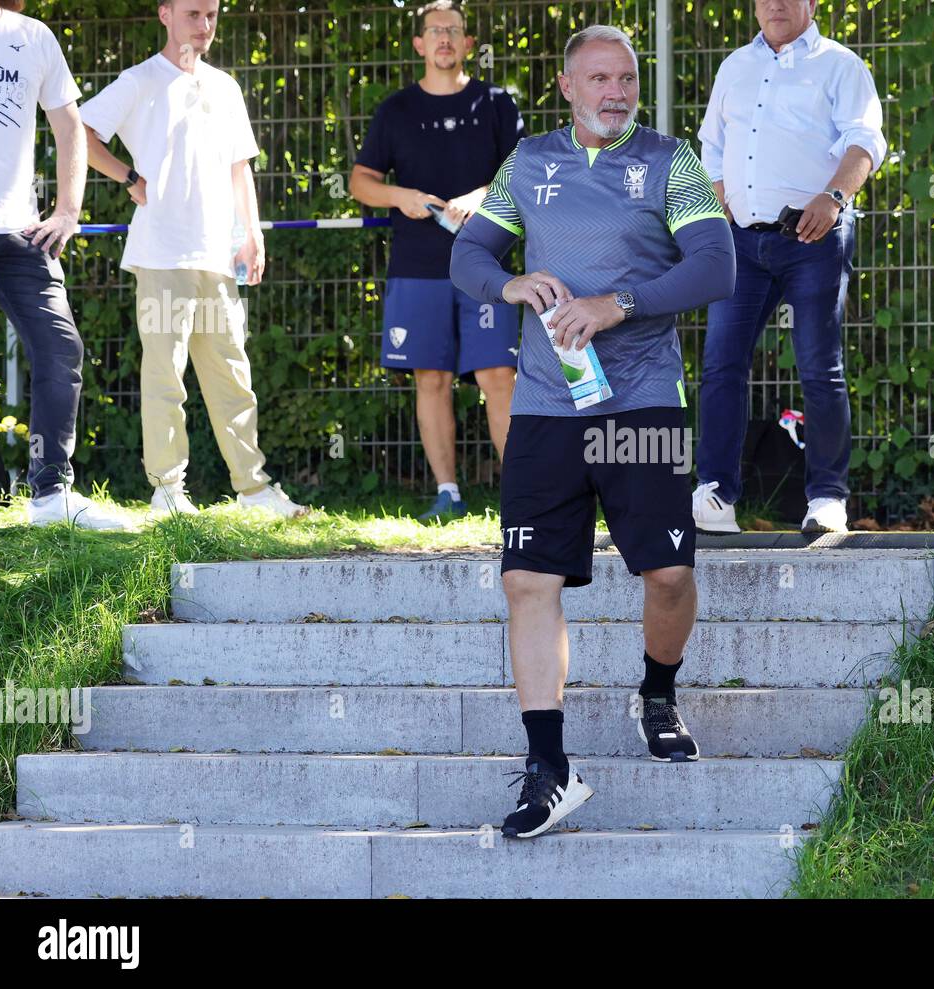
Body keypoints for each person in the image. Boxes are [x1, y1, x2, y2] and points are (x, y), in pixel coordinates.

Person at [451, 24, 735, 838]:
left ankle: (657, 691)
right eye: (599, 79)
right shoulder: (529, 161)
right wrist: (509, 285)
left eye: (627, 79)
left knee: (670, 574)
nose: (616, 92)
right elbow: (469, 255)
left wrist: (619, 304)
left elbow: (717, 268)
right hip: (546, 407)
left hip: (641, 401)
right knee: (527, 581)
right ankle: (549, 766)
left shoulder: (668, 161)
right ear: (568, 87)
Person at [79, 0, 307, 519]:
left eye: (211, 15)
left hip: (219, 258)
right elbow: (80, 133)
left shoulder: (225, 86)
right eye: (192, 14)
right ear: (165, 14)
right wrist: (128, 178)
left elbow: (239, 168)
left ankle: (254, 492)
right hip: (161, 255)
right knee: (165, 377)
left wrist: (252, 233)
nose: (203, 25)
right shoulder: (138, 81)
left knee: (233, 376)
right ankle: (167, 494)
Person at [692, 0, 885, 535]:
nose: (775, 4)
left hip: (814, 237)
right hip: (741, 242)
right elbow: (713, 144)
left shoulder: (840, 65)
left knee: (820, 368)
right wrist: (722, 197)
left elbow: (865, 140)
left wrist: (833, 197)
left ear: (812, 4)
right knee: (720, 365)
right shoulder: (735, 67)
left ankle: (827, 498)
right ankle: (715, 496)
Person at [351, 1, 523, 521]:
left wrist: (480, 197)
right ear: (420, 44)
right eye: (435, 31)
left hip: (486, 266)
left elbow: (521, 174)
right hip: (418, 266)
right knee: (431, 378)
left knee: (499, 376)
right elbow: (361, 182)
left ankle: (525, 498)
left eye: (454, 30)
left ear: (468, 43)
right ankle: (447, 494)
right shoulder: (396, 109)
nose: (445, 38)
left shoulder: (496, 102)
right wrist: (399, 195)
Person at [0, 0, 126, 529]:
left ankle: (50, 495)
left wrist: (68, 211)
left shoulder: (34, 36)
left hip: (20, 231)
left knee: (60, 348)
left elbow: (70, 127)